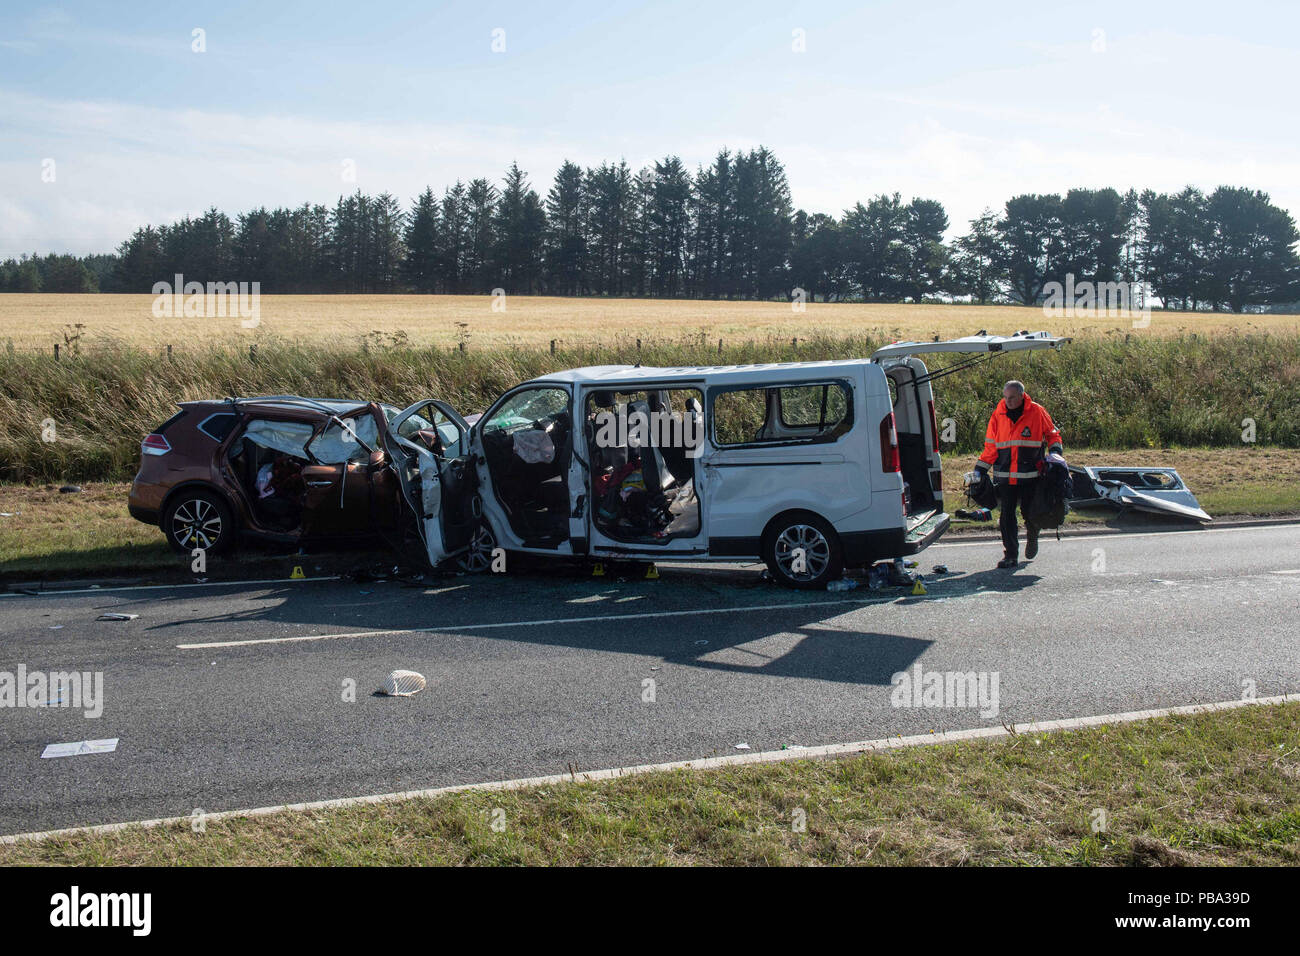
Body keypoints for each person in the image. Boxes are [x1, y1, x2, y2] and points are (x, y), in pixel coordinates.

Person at [973, 380, 1063, 568]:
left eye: (1012, 398)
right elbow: (991, 446)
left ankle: (1032, 534)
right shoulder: (998, 414)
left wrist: (1055, 454)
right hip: (1005, 476)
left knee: (1030, 512)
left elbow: (1053, 434)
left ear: (1022, 396)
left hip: (1031, 475)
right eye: (1006, 397)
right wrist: (980, 468)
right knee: (1006, 515)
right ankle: (1010, 555)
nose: (1009, 401)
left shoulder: (1037, 411)